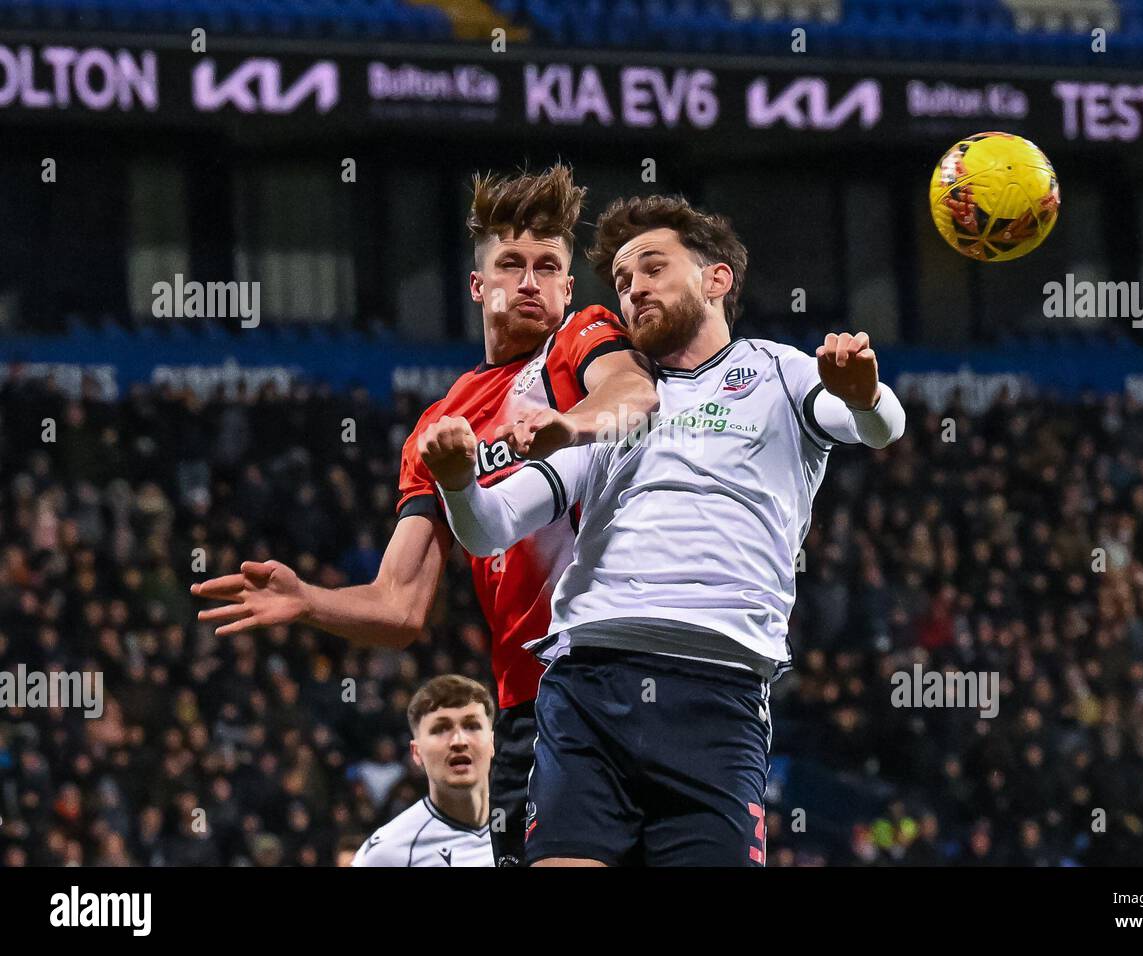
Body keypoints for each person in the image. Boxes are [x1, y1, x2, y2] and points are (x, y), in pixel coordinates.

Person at [190, 165, 659, 866]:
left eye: (546, 267)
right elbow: (400, 607)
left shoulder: (581, 340)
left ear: (567, 289)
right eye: (510, 265)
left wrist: (567, 426)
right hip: (530, 712)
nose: (528, 281)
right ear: (478, 285)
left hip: (626, 683)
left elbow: (632, 393)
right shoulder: (440, 425)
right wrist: (307, 600)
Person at [419, 194, 906, 865]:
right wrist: (456, 483)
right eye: (621, 282)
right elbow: (490, 528)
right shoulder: (612, 406)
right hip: (588, 681)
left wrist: (865, 392)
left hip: (719, 690)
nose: (633, 290)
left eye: (651, 269)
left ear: (716, 279)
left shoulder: (776, 371)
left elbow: (882, 428)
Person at [352, 675, 495, 867]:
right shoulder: (388, 853)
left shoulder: (534, 827)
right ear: (417, 752)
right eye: (441, 729)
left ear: (492, 743)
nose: (459, 740)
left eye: (472, 726)